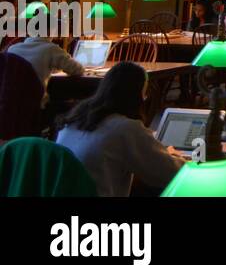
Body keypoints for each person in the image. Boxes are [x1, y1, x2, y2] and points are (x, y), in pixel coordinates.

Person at [54, 62, 184, 196]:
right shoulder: (125, 128)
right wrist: (171, 156)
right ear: (136, 96)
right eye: (144, 95)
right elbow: (171, 173)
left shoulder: (74, 120)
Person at [5, 35, 84, 105]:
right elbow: (78, 70)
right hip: (36, 106)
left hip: (9, 105)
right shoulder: (51, 49)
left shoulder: (12, 48)